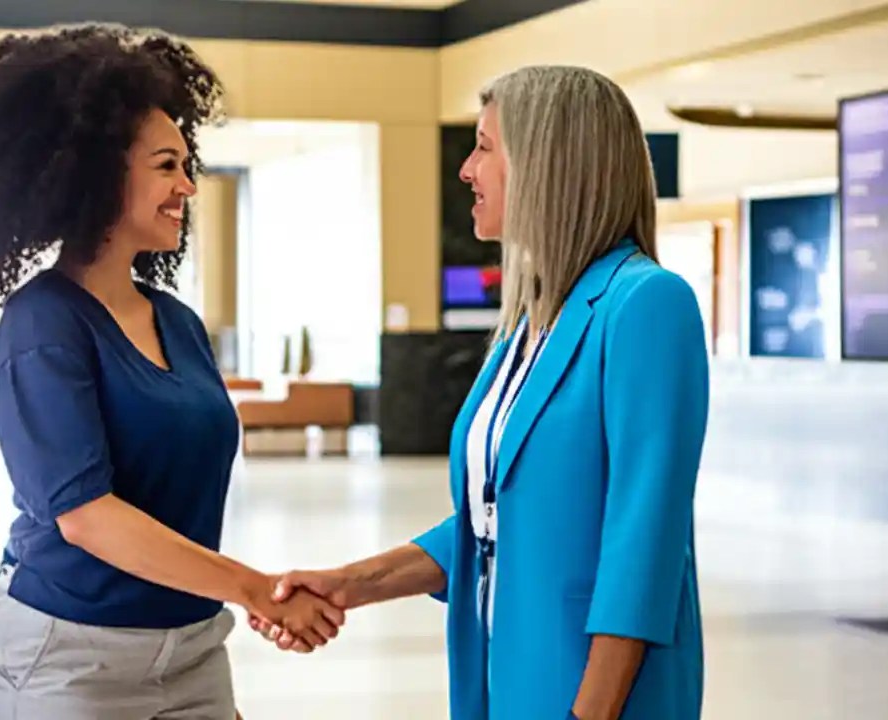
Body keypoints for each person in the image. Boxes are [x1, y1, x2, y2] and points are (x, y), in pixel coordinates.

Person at [251, 65, 710, 720]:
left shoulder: (645, 304)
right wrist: (350, 584)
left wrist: (591, 714)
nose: (467, 170)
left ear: (549, 165)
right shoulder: (530, 323)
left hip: (594, 689)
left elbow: (645, 544)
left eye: (486, 148)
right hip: (503, 667)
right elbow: (493, 519)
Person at [0, 23, 344, 719]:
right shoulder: (42, 326)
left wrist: (232, 599)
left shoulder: (177, 322)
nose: (188, 186)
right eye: (166, 165)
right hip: (65, 656)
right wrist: (254, 587)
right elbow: (88, 518)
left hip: (193, 647)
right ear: (98, 172)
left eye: (187, 163)